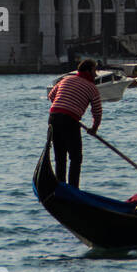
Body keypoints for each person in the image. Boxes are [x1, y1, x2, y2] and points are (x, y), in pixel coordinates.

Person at [46, 59, 103, 188]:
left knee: (60, 157)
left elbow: (51, 96)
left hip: (54, 117)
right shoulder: (92, 88)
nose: (96, 74)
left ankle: (60, 186)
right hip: (69, 120)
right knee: (75, 158)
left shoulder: (65, 80)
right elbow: (97, 113)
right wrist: (94, 129)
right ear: (88, 70)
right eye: (95, 70)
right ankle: (73, 189)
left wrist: (64, 105)